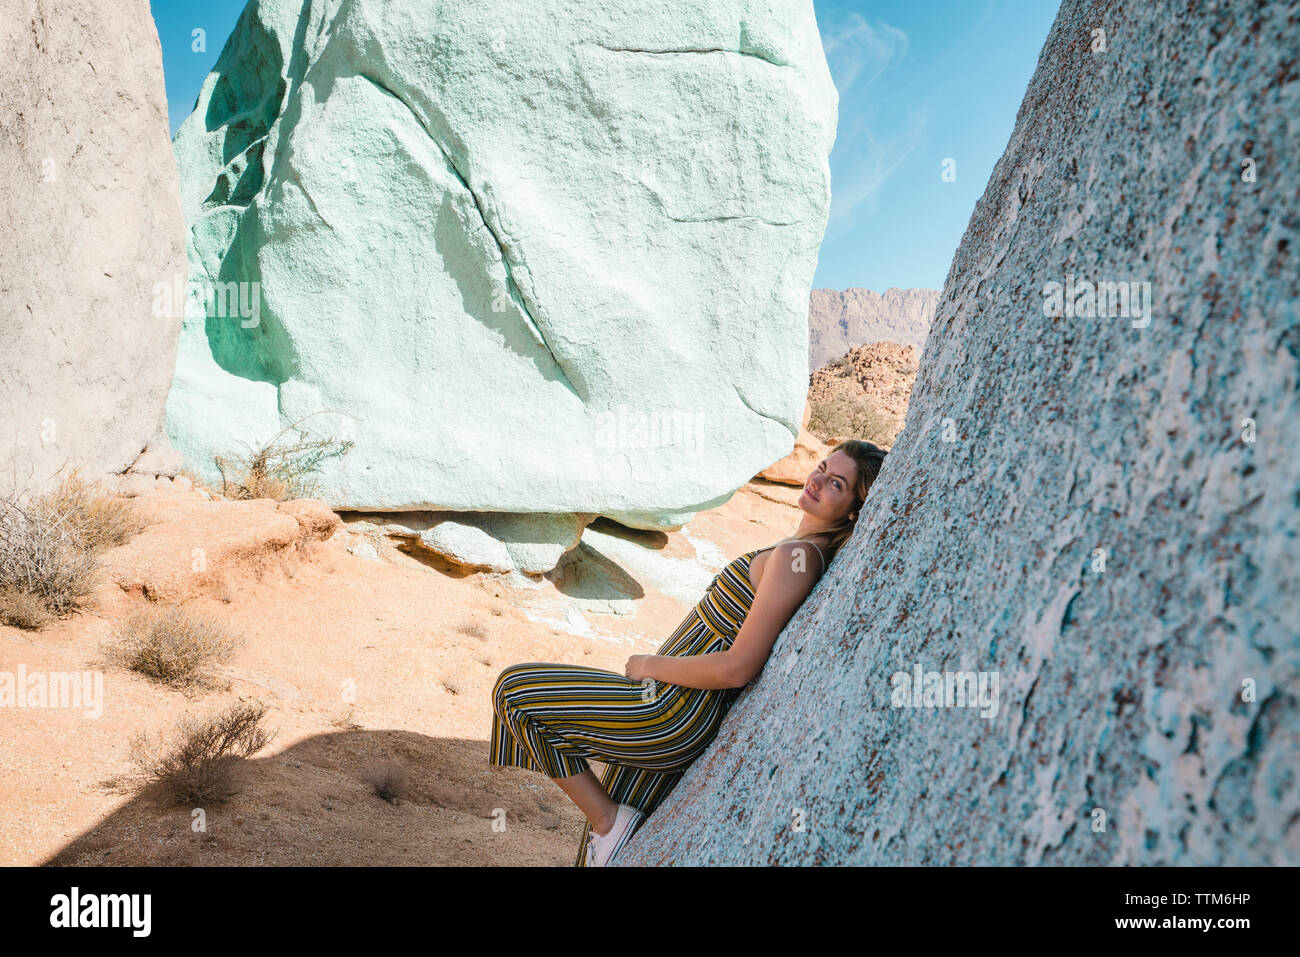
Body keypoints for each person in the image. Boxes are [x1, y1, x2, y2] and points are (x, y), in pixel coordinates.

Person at [489, 439, 888, 866]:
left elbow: (739, 666)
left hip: (673, 711)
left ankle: (608, 820)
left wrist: (648, 664)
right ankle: (608, 824)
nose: (818, 481)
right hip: (666, 703)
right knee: (606, 855)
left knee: (515, 691)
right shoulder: (794, 548)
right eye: (822, 468)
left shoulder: (798, 557)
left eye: (836, 483)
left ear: (853, 509)